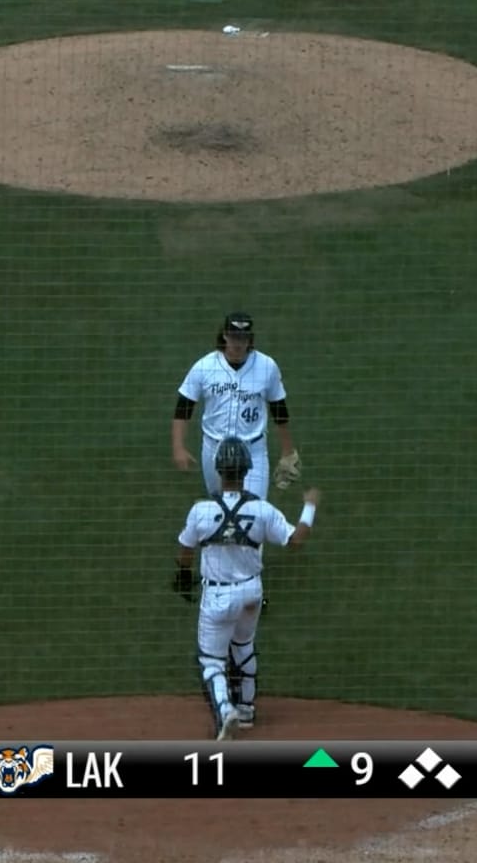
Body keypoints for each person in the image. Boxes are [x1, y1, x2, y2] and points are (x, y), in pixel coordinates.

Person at [171, 436, 319, 740]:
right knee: (243, 646)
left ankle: (225, 710)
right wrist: (309, 507)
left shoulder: (200, 511)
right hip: (252, 594)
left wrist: (184, 575)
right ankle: (248, 710)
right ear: (247, 470)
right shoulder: (263, 510)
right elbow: (296, 541)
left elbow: (184, 550)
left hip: (217, 597)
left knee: (211, 660)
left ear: (219, 470)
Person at [171, 311, 298, 503]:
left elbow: (278, 409)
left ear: (250, 339)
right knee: (221, 510)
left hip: (253, 450)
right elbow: (183, 408)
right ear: (224, 335)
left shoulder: (266, 366)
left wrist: (288, 451)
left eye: (243, 338)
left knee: (254, 509)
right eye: (233, 337)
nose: (238, 343)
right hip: (214, 450)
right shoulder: (204, 367)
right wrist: (178, 447)